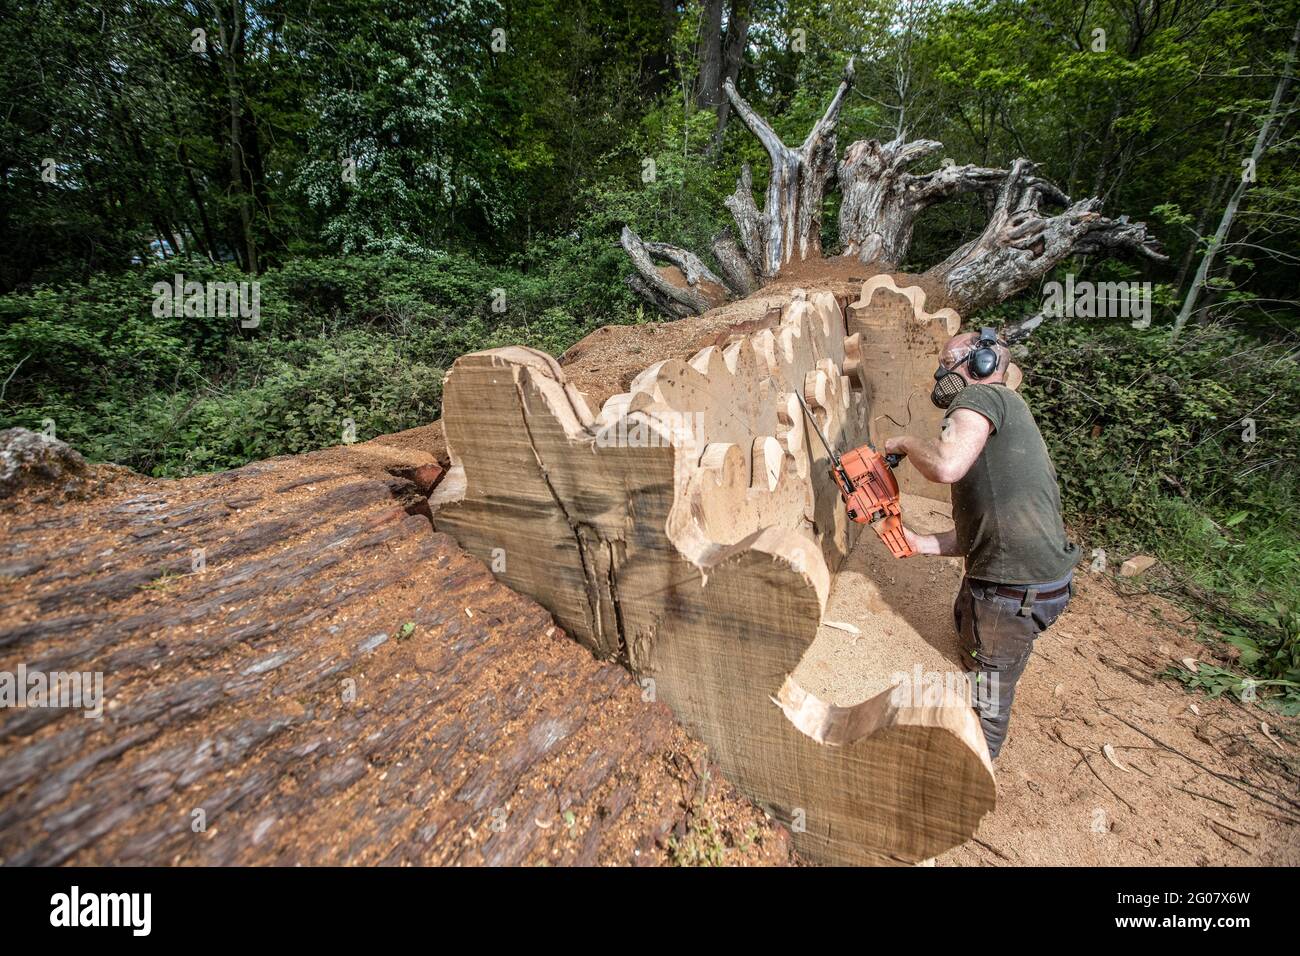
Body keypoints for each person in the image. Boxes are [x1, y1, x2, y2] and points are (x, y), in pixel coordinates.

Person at [883, 328, 1078, 760]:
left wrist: (905, 442)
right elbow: (979, 533)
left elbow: (946, 466)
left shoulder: (982, 398)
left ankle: (967, 780)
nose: (940, 373)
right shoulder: (1010, 410)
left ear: (980, 365)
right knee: (967, 616)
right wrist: (920, 543)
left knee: (985, 700)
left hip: (1015, 593)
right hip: (1036, 581)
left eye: (946, 362)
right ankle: (999, 657)